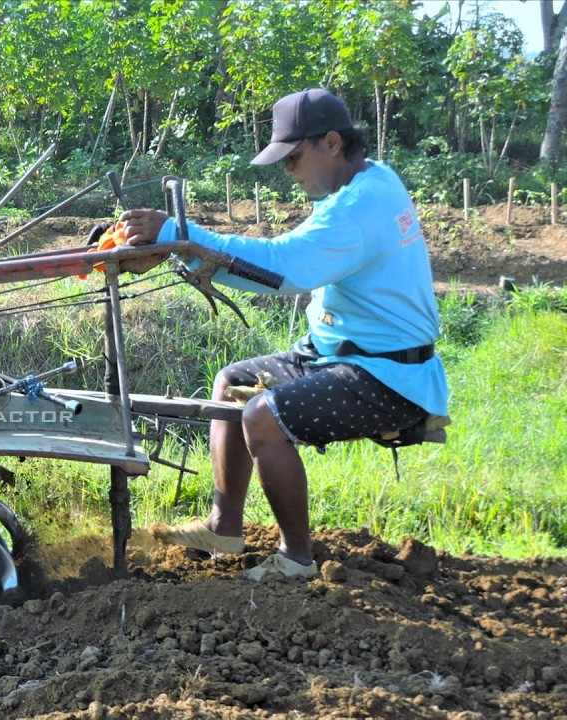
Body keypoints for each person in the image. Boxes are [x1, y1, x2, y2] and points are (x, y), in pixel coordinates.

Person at [117, 88, 449, 581]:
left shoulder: (359, 209)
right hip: (338, 352)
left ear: (331, 143)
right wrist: (185, 246)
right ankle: (224, 527)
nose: (289, 172)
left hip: (388, 375)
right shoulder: (369, 179)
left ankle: (296, 557)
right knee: (231, 384)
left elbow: (285, 267)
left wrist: (177, 237)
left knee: (264, 418)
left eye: (293, 158)